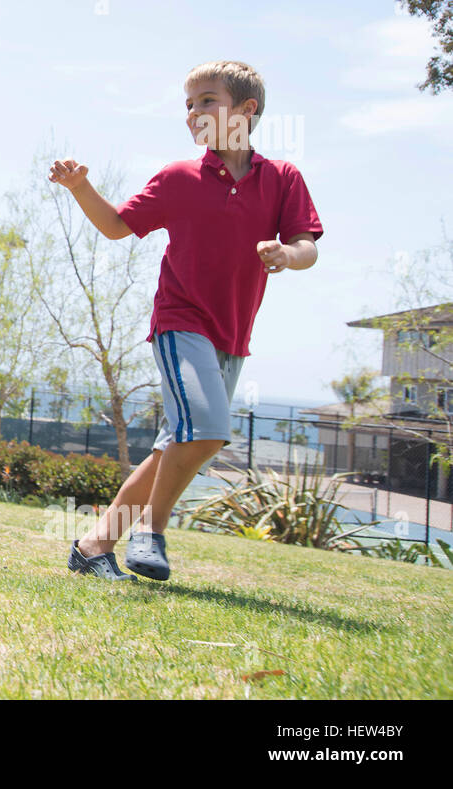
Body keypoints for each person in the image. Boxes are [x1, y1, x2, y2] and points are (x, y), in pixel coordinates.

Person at [51, 60, 322, 581]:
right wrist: (81, 188)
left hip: (233, 337)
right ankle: (151, 533)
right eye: (188, 104)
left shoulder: (283, 179)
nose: (193, 112)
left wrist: (288, 255)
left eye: (206, 101)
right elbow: (115, 226)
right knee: (210, 430)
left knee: (170, 449)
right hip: (181, 324)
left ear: (247, 111)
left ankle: (91, 547)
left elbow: (307, 246)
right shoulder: (179, 178)